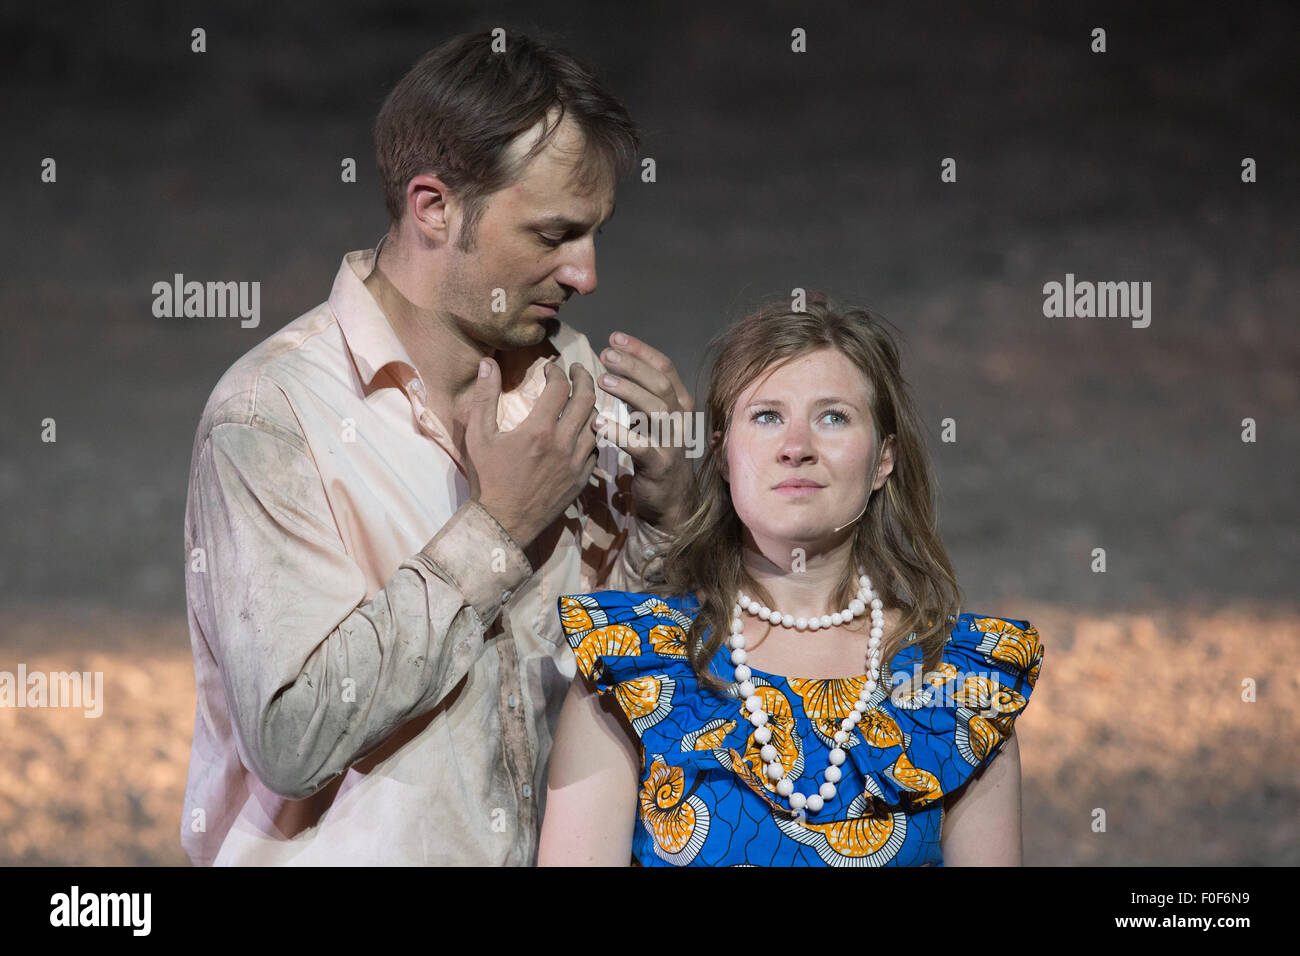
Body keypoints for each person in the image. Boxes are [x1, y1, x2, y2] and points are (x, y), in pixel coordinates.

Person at [180, 30, 694, 865]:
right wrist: (495, 532)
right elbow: (291, 736)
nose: (586, 274)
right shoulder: (273, 416)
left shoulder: (572, 385)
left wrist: (671, 521)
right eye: (553, 235)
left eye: (594, 234)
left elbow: (640, 691)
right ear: (433, 208)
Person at [538, 294, 1045, 866]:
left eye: (833, 417)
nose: (797, 448)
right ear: (724, 457)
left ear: (883, 459)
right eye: (767, 416)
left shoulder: (963, 687)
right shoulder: (630, 667)